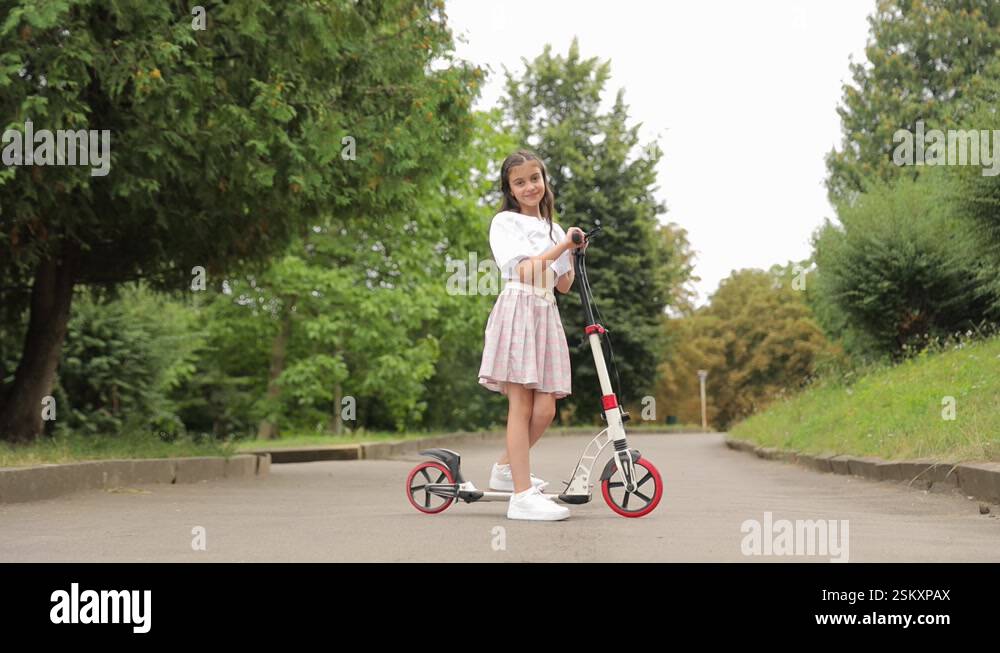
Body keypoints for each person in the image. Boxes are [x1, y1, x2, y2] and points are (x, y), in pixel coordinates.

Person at [477, 150, 587, 521]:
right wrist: (561, 246)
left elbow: (564, 286)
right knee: (521, 406)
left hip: (545, 312)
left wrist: (572, 252)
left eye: (534, 179)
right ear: (509, 188)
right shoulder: (504, 223)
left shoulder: (554, 228)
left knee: (546, 408)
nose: (529, 187)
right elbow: (524, 272)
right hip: (519, 308)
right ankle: (522, 498)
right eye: (519, 182)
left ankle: (506, 471)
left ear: (545, 180)